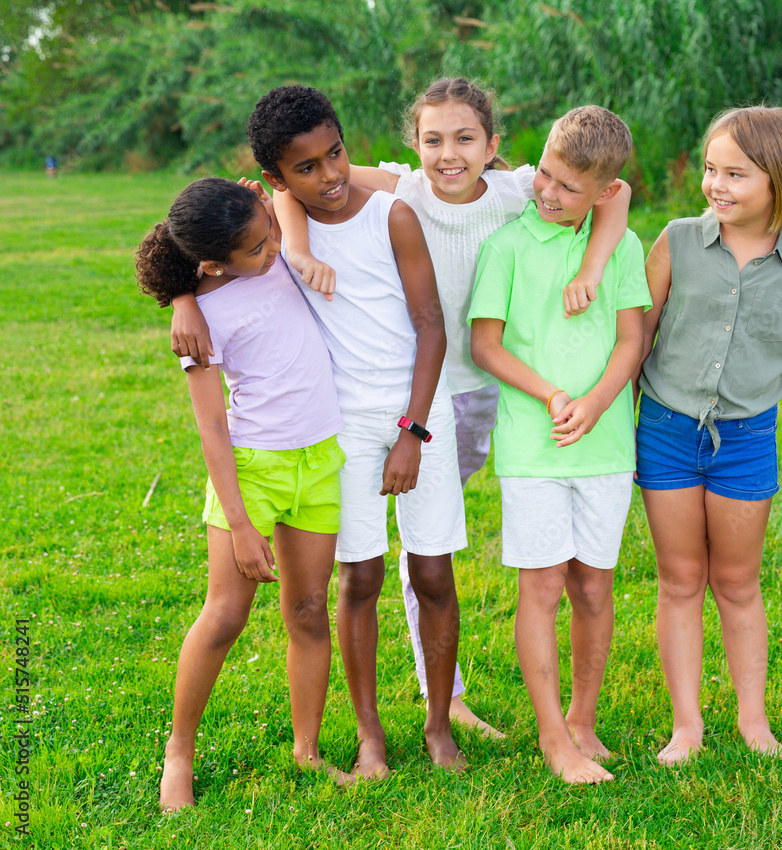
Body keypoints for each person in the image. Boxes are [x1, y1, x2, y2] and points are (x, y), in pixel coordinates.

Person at [172, 77, 631, 737]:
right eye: (434, 140)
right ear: (412, 148)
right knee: (383, 567)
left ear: (493, 145)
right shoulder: (395, 189)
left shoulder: (511, 191)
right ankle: (434, 702)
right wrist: (193, 292)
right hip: (379, 406)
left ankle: (442, 711)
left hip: (482, 393)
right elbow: (231, 216)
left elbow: (613, 191)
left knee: (433, 552)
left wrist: (592, 265)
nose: (449, 153)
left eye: (466, 138)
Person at [246, 84, 466, 777]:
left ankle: (438, 725)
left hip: (418, 417)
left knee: (432, 572)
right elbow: (194, 233)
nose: (331, 175)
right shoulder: (277, 235)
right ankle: (369, 733)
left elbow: (432, 326)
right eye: (305, 168)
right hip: (340, 428)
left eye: (335, 154)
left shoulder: (392, 216)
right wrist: (185, 300)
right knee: (361, 577)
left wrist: (413, 430)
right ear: (277, 180)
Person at [135, 177, 351, 811]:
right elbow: (209, 429)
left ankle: (306, 751)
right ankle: (179, 751)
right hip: (253, 471)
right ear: (212, 264)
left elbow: (275, 192)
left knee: (310, 609)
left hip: (320, 460)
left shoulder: (273, 240)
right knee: (226, 615)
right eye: (258, 248)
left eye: (270, 232)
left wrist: (268, 220)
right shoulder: (201, 322)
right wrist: (242, 524)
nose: (274, 247)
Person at [635, 105, 782, 765]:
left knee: (739, 583)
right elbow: (639, 335)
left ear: (779, 180)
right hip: (666, 429)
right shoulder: (678, 241)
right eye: (712, 170)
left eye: (736, 174)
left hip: (747, 439)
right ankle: (686, 726)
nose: (716, 185)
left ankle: (754, 721)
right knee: (680, 577)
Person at [469, 106, 651, 784]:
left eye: (567, 187)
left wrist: (599, 403)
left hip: (605, 447)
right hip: (533, 447)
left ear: (603, 194)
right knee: (542, 585)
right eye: (544, 173)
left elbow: (632, 340)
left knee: (595, 588)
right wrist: (550, 395)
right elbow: (485, 344)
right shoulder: (508, 245)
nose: (547, 191)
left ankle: (583, 720)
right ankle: (553, 740)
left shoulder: (623, 247)